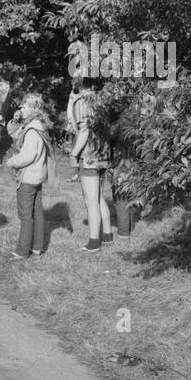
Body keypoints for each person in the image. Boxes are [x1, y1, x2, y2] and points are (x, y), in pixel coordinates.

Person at [69, 75, 115, 252]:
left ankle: (94, 241)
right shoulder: (102, 101)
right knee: (98, 196)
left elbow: (84, 130)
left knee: (91, 201)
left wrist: (74, 154)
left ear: (79, 85)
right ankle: (107, 234)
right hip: (103, 154)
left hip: (89, 156)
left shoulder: (83, 102)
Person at [4, 93, 52, 259]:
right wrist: (16, 120)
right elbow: (13, 133)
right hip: (37, 175)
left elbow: (27, 156)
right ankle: (38, 247)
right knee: (37, 212)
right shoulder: (35, 125)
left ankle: (22, 250)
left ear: (32, 108)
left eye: (24, 107)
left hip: (28, 178)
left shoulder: (32, 130)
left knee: (25, 215)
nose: (21, 109)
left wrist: (11, 161)